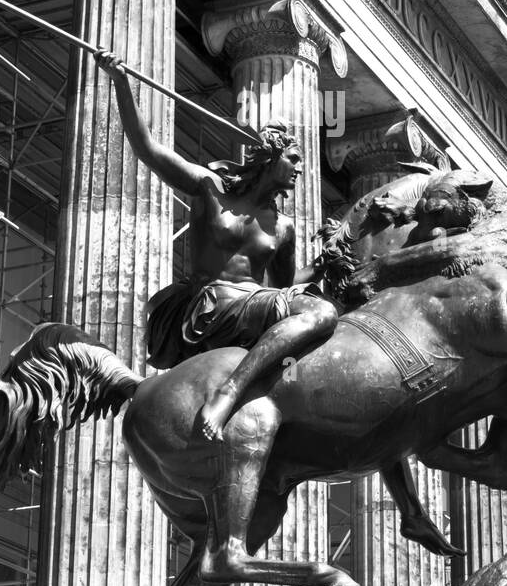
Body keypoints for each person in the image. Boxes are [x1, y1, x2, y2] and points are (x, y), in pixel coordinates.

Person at [94, 50, 338, 442]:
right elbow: (148, 150)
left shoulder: (285, 228)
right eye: (293, 158)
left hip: (249, 305)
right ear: (271, 156)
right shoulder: (210, 187)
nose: (300, 168)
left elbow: (286, 288)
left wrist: (325, 266)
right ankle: (229, 391)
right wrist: (121, 82)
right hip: (206, 303)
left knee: (317, 317)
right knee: (322, 312)